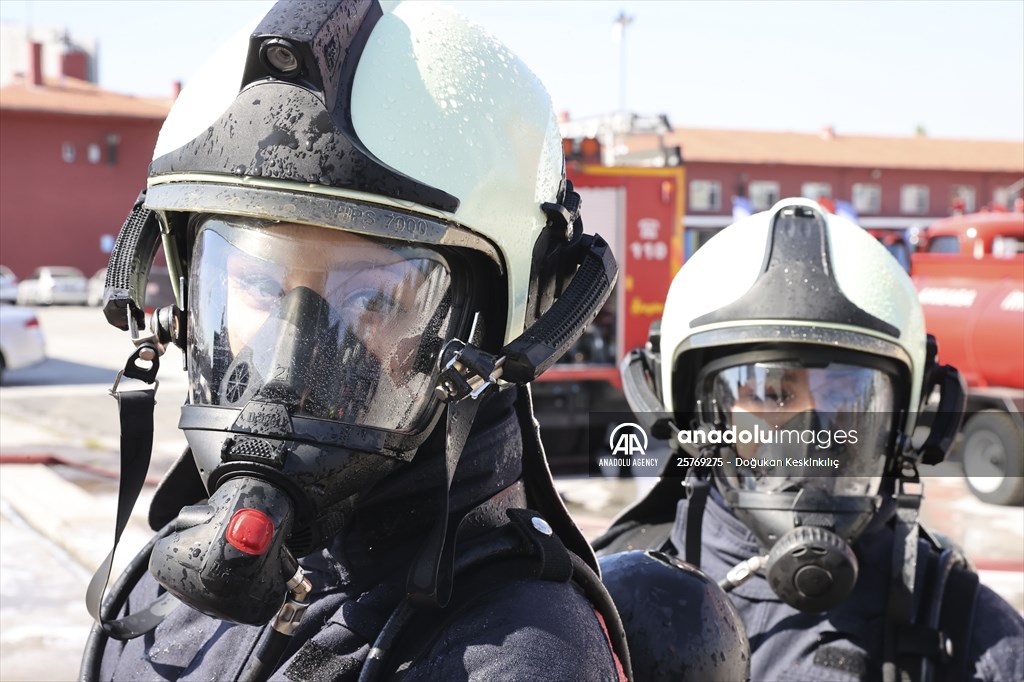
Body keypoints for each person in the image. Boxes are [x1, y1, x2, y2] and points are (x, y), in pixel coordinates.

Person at [80, 2, 633, 680]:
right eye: (256, 286)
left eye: (371, 298)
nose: (289, 364)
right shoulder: (162, 588)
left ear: (504, 323)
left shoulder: (513, 656)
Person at [595, 198, 1024, 681]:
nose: (811, 435)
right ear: (696, 412)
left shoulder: (971, 633)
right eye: (772, 393)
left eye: (844, 397)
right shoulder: (604, 601)